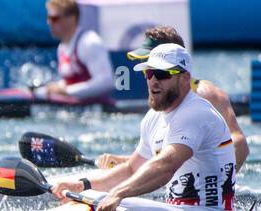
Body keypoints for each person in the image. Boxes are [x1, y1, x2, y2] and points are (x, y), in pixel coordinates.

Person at [51, 44, 236, 211]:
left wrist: (117, 194)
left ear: (185, 78)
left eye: (162, 74)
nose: (153, 81)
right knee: (89, 196)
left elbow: (166, 165)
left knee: (103, 202)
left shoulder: (195, 112)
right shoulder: (153, 117)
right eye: (149, 73)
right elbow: (132, 169)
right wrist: (82, 185)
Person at [95, 26, 248, 170]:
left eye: (152, 61)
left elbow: (239, 142)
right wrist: (124, 162)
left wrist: (223, 182)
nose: (147, 68)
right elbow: (163, 156)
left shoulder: (206, 94)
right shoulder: (162, 101)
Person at [39, 0, 114, 103]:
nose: (49, 23)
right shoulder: (62, 48)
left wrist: (66, 91)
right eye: (48, 18)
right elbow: (73, 83)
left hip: (100, 113)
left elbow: (106, 82)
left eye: (54, 18)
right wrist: (53, 89)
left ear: (72, 19)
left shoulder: (89, 42)